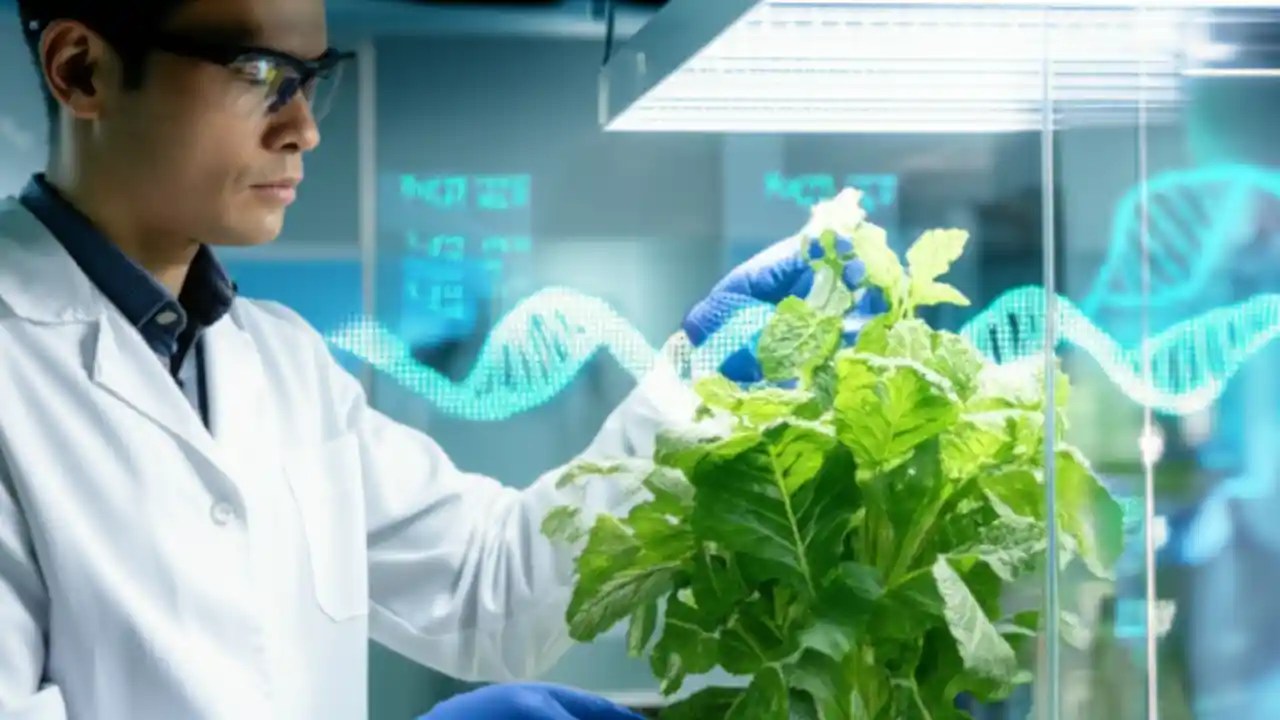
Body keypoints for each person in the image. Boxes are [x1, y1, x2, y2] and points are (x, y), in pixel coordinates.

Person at [0, 0, 875, 718]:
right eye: (260, 75)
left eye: (313, 81)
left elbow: (493, 589)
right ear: (82, 70)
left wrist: (697, 380)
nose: (303, 127)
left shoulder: (282, 366)